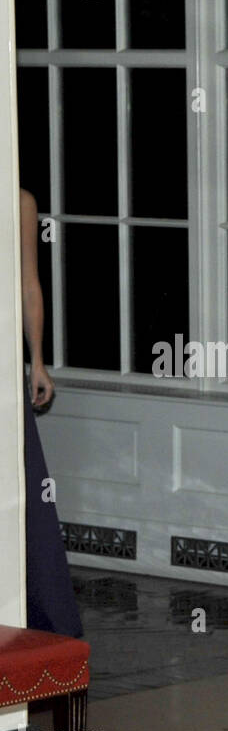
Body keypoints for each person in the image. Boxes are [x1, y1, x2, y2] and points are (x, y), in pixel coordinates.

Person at [19, 187, 83, 640]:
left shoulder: (19, 202)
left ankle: (39, 622)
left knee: (22, 491)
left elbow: (29, 284)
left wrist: (37, 359)